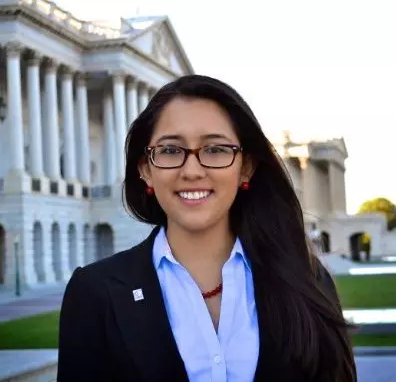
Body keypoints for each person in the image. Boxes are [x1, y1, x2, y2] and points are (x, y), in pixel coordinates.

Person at [57, 75, 357, 382]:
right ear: (145, 170)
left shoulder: (306, 278)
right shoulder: (95, 292)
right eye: (171, 150)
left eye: (215, 149)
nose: (192, 171)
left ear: (247, 167)